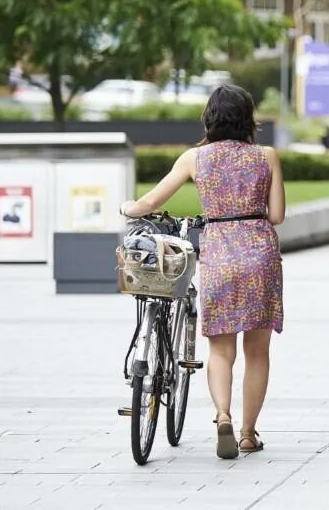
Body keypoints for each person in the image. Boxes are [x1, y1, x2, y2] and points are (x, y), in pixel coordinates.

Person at [120, 84, 286, 460]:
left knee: (221, 350)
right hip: (259, 255)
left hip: (219, 254)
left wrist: (129, 207)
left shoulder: (195, 158)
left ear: (209, 118)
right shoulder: (266, 156)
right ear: (248, 118)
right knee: (257, 351)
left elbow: (150, 201)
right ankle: (248, 434)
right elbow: (276, 215)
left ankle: (222, 415)